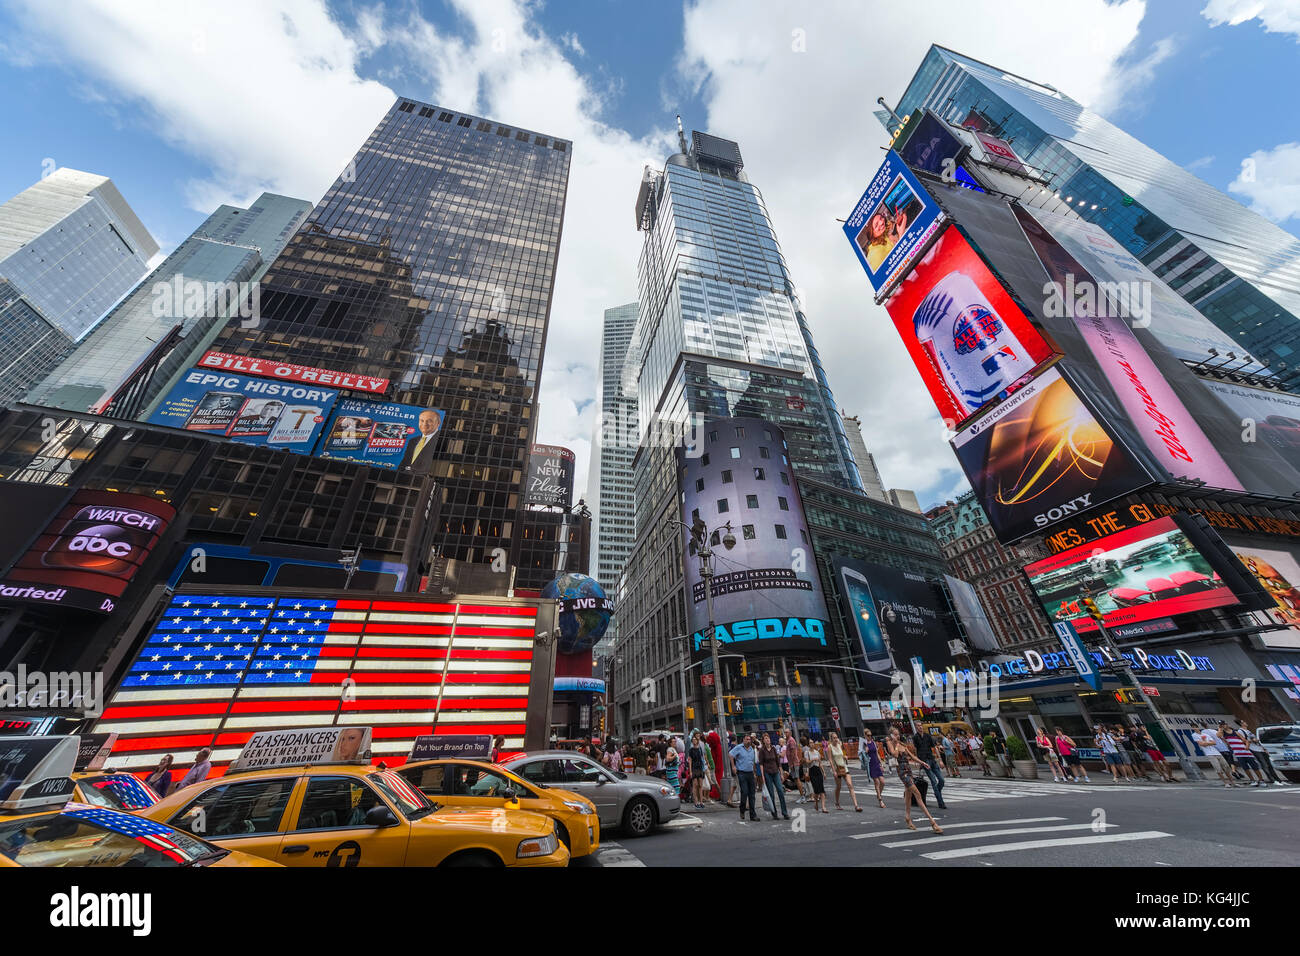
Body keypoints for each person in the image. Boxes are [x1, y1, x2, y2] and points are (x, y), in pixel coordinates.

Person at [886, 727, 942, 833]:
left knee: (908, 795)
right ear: (892, 735)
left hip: (909, 771)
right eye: (895, 734)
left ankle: (907, 818)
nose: (898, 736)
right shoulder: (891, 744)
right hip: (902, 772)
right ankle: (933, 823)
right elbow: (895, 754)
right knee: (917, 794)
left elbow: (912, 756)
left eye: (898, 734)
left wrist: (922, 763)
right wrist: (896, 745)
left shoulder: (902, 745)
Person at [911, 728, 947, 809]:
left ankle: (937, 792)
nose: (920, 727)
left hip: (932, 759)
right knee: (933, 781)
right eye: (918, 726)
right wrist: (919, 762)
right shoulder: (915, 737)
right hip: (925, 761)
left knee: (941, 780)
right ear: (916, 727)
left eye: (921, 725)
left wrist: (940, 760)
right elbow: (916, 750)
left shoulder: (928, 736)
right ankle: (940, 802)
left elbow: (934, 747)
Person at [826, 732, 862, 812]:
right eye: (834, 738)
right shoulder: (829, 747)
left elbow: (840, 755)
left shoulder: (839, 745)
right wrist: (834, 771)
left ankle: (856, 806)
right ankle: (837, 802)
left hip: (844, 767)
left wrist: (844, 757)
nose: (836, 739)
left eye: (836, 737)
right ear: (831, 739)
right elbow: (830, 760)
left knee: (850, 785)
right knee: (838, 787)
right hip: (837, 769)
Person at [758, 734, 789, 820]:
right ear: (763, 741)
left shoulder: (774, 749)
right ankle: (774, 812)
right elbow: (761, 764)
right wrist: (762, 776)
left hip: (775, 772)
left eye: (768, 738)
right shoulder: (762, 750)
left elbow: (778, 762)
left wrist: (781, 773)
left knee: (780, 791)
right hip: (767, 773)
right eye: (766, 738)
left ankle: (785, 812)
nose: (768, 740)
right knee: (771, 794)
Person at [729, 734, 760, 822]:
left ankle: (753, 815)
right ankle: (742, 809)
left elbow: (752, 761)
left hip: (750, 773)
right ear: (743, 740)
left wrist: (754, 773)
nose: (748, 741)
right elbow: (730, 755)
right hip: (741, 773)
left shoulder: (752, 749)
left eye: (749, 739)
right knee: (745, 792)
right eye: (747, 739)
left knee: (752, 794)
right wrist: (733, 766)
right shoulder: (739, 747)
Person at [803, 736, 828, 814]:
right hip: (812, 771)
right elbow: (807, 762)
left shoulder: (817, 752)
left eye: (812, 742)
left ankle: (823, 807)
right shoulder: (807, 752)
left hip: (818, 770)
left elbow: (820, 763)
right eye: (810, 743)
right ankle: (816, 803)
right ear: (808, 744)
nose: (812, 744)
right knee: (816, 790)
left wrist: (823, 773)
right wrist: (813, 759)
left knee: (822, 789)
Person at [863, 730, 887, 809]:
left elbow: (877, 754)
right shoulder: (864, 744)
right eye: (868, 735)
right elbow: (863, 755)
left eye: (871, 735)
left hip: (876, 763)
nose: (870, 737)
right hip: (870, 764)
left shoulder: (873, 742)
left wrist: (881, 764)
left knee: (882, 782)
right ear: (865, 736)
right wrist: (865, 750)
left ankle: (878, 794)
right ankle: (880, 800)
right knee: (877, 782)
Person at [785, 732, 805, 803]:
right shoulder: (788, 740)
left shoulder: (791, 740)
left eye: (786, 732)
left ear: (790, 733)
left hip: (794, 763)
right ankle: (802, 795)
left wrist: (792, 764)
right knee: (796, 779)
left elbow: (793, 753)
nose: (785, 733)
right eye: (785, 732)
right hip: (792, 763)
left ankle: (803, 797)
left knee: (797, 779)